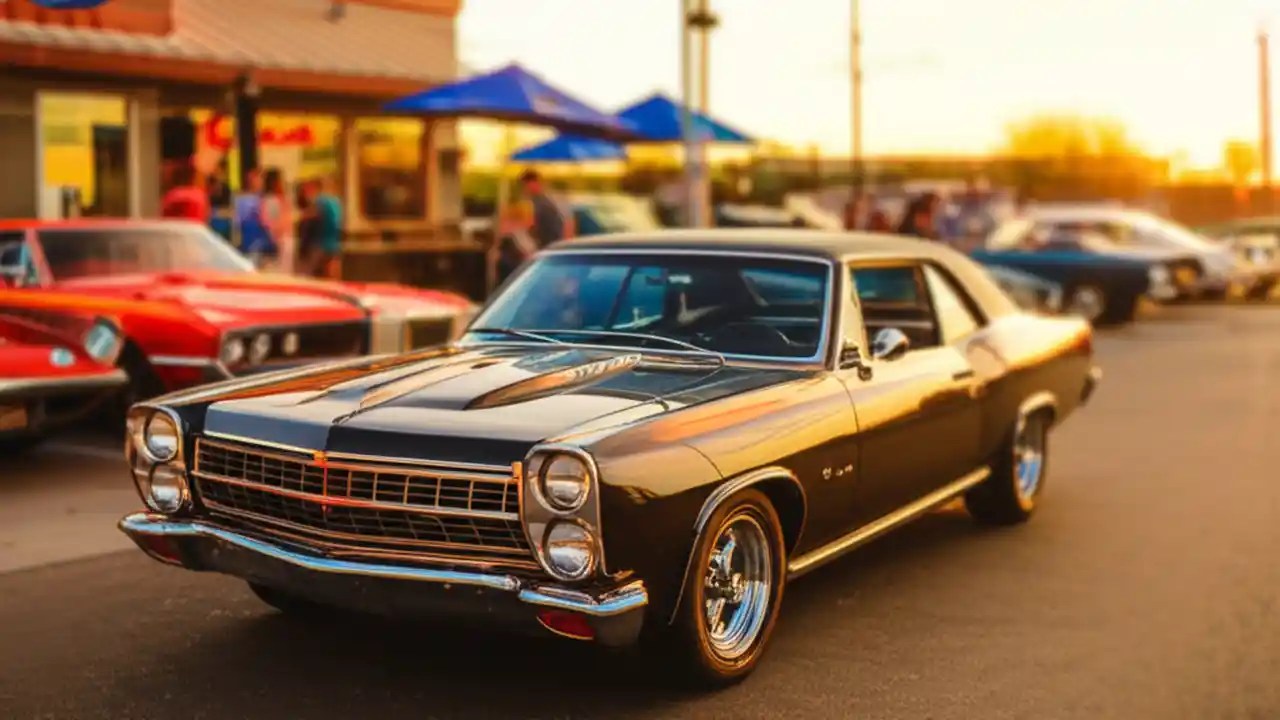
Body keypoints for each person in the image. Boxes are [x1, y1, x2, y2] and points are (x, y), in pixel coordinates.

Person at [303, 177, 343, 279]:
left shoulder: (320, 200)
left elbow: (311, 216)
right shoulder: (337, 201)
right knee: (332, 273)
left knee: (314, 274)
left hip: (321, 244)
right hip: (335, 243)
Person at [235, 169, 274, 267]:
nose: (261, 182)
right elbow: (238, 222)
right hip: (250, 243)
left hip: (264, 244)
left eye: (262, 180)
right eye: (258, 179)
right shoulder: (242, 199)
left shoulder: (264, 198)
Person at [260, 168, 295, 274]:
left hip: (285, 239)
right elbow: (270, 223)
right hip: (280, 241)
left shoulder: (280, 198)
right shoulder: (271, 200)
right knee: (281, 271)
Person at [520, 169, 566, 248]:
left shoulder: (542, 203)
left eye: (525, 185)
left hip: (548, 243)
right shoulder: (540, 201)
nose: (525, 189)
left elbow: (534, 224)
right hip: (548, 243)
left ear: (533, 183)